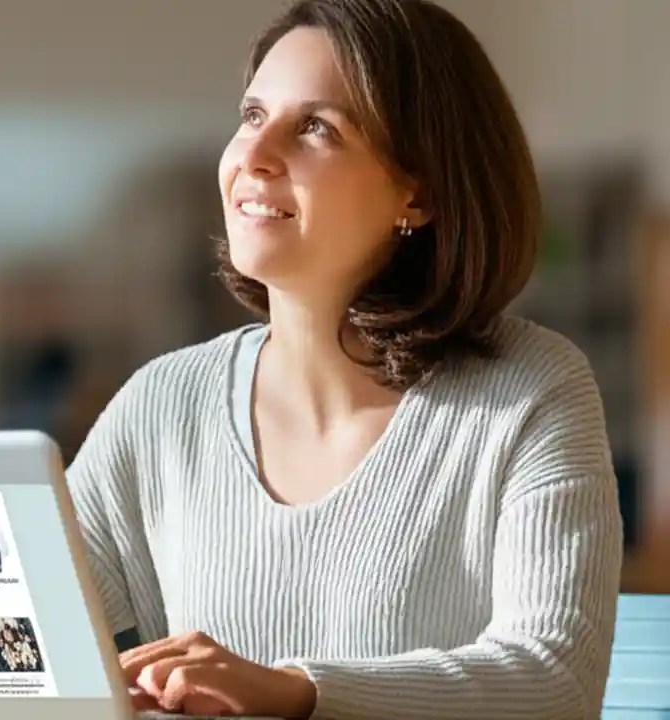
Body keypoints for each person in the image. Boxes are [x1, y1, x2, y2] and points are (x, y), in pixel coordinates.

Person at [64, 0, 623, 718]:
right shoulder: (164, 403)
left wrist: (295, 693)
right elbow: (23, 637)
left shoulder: (532, 390)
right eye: (252, 115)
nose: (254, 157)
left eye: (316, 128)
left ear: (417, 191)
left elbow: (556, 681)